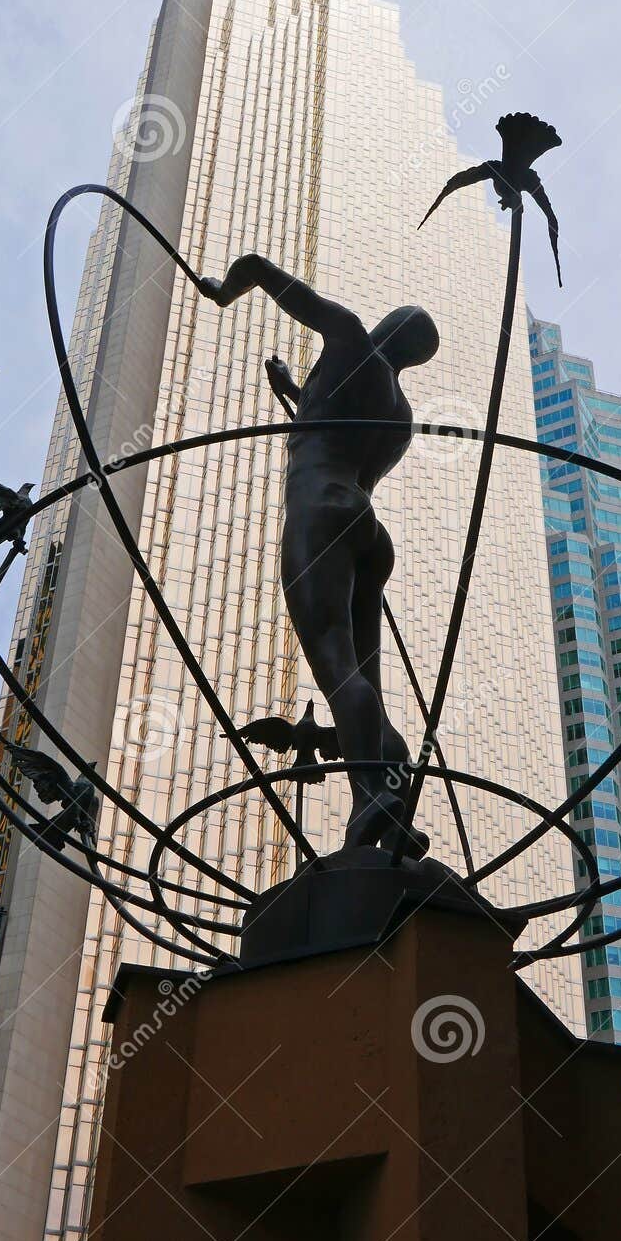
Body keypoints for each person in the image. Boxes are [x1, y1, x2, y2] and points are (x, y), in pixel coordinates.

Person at [200, 254, 439, 854]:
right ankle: (390, 810)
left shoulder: (350, 336)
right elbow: (332, 428)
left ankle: (373, 797)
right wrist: (294, 391)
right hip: (368, 532)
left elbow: (258, 268)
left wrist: (222, 292)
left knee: (338, 669)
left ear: (389, 325)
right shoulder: (402, 416)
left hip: (321, 511)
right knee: (366, 685)